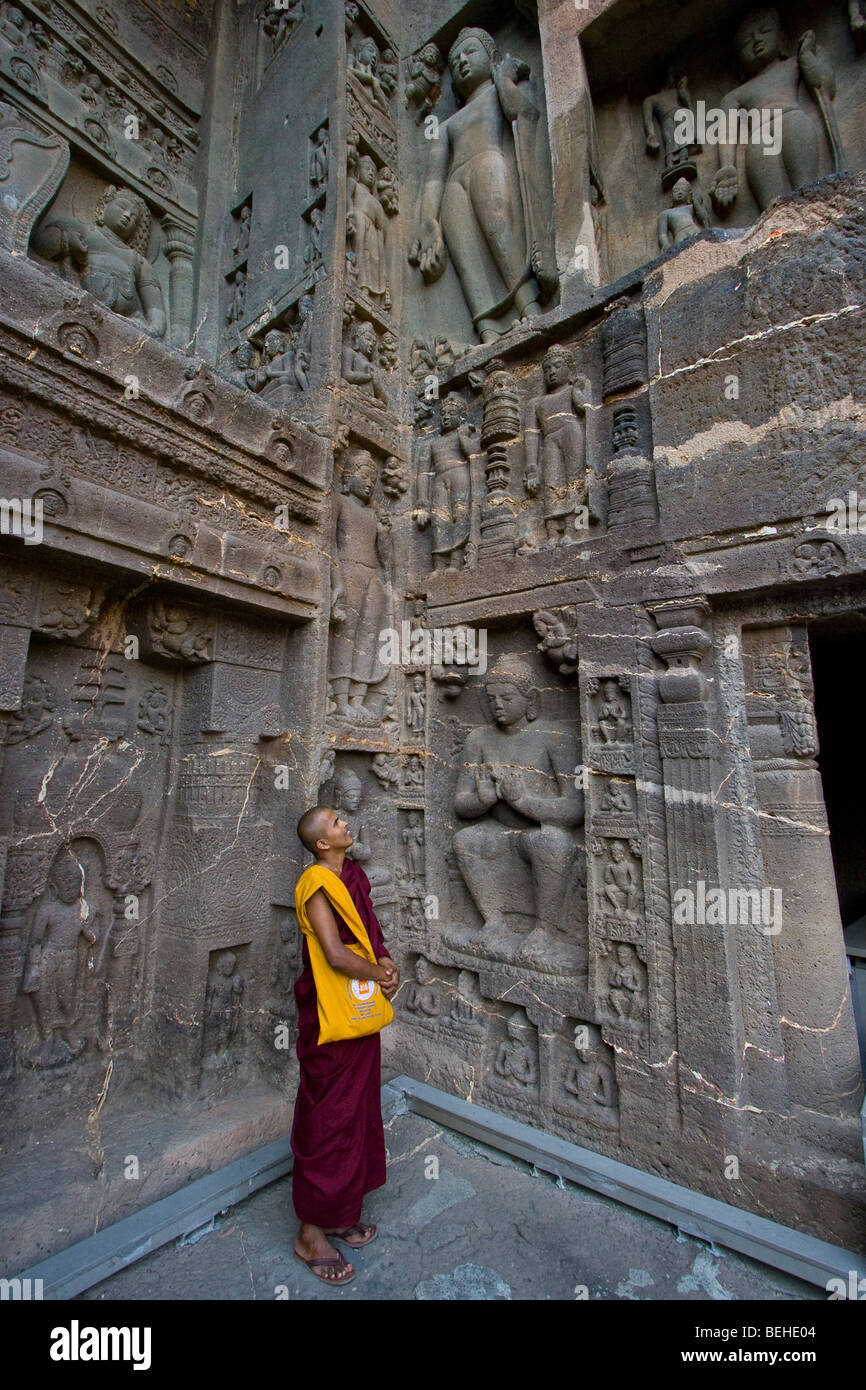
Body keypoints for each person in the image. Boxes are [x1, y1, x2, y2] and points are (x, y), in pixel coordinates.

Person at [291, 804, 400, 1286]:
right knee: (327, 1113)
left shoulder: (352, 874)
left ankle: (341, 1210)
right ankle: (310, 1232)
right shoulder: (316, 884)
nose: (345, 825)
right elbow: (335, 954)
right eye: (336, 823)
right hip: (329, 1012)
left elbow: (366, 928)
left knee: (356, 1106)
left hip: (358, 1004)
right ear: (321, 843)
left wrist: (385, 958)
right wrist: (377, 975)